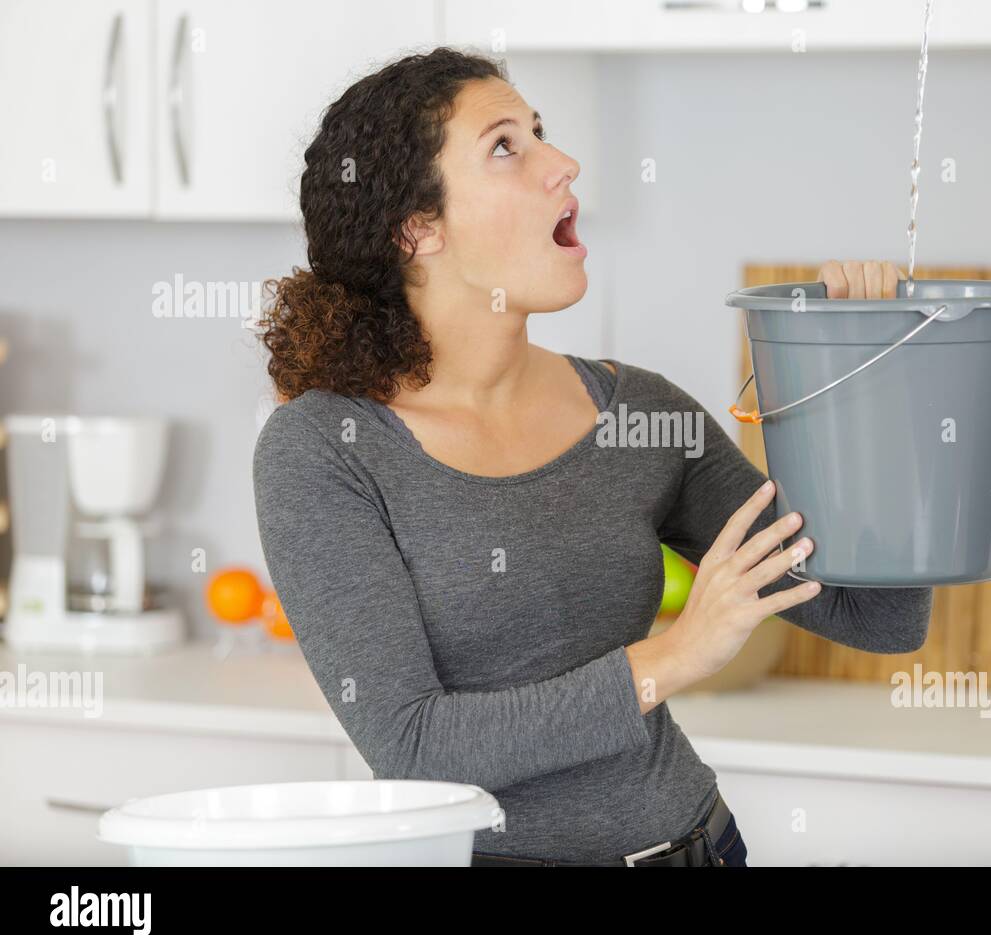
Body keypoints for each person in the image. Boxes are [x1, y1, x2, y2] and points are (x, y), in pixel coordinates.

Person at [252, 47, 931, 867]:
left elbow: (879, 619)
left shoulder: (638, 414)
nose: (563, 163)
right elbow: (414, 746)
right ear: (417, 227)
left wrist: (870, 372)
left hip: (703, 847)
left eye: (541, 133)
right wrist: (674, 655)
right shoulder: (325, 451)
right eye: (506, 146)